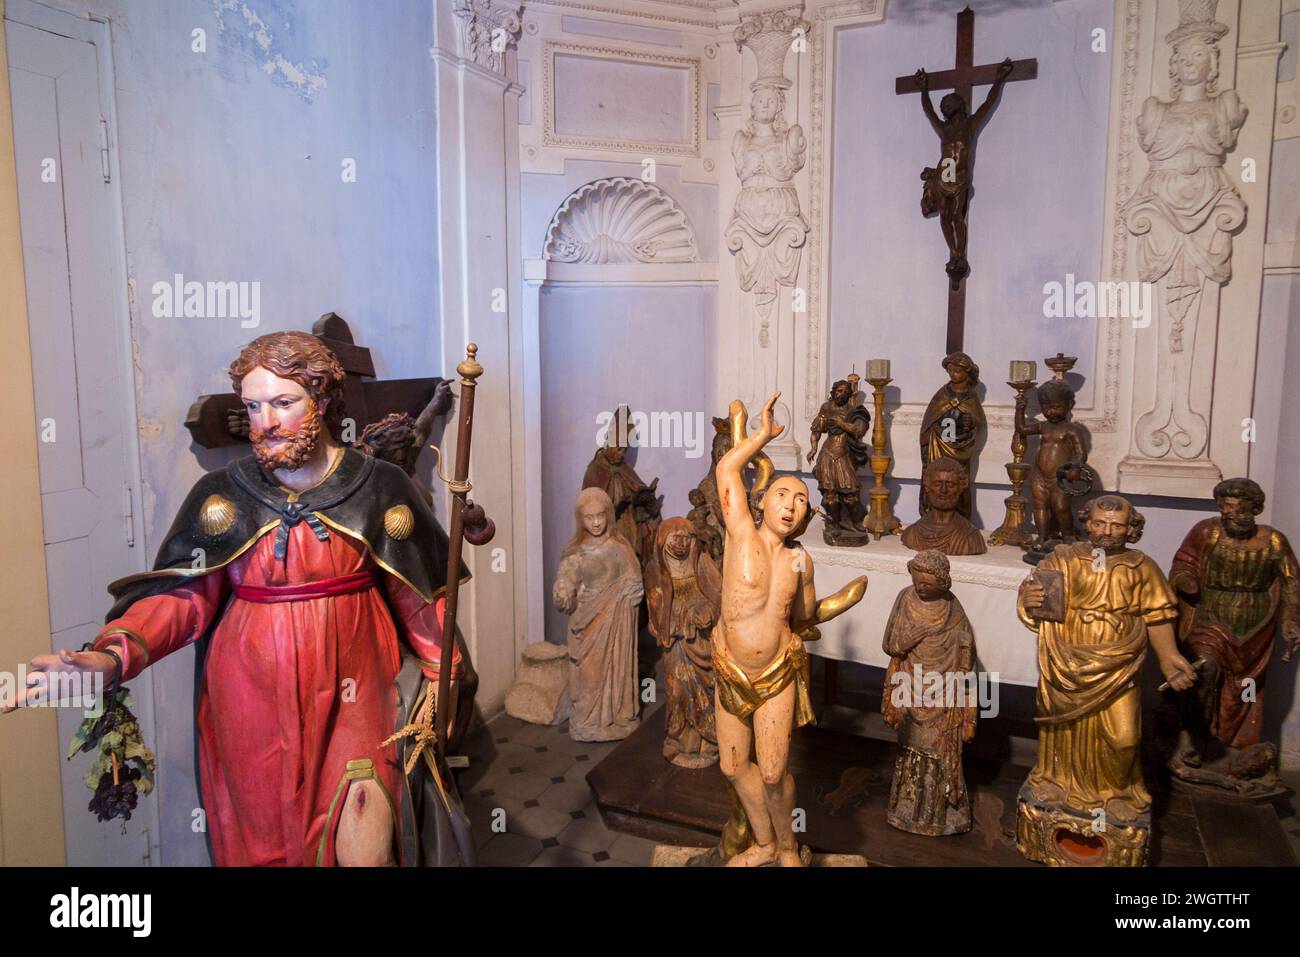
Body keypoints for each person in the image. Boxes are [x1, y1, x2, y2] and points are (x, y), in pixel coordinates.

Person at [5, 331, 467, 866]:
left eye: (283, 403)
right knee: (262, 844)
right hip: (249, 703)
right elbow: (181, 600)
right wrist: (111, 657)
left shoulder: (378, 486)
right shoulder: (224, 494)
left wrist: (444, 678)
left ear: (321, 401)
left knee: (365, 836)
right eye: (253, 405)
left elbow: (416, 594)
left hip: (356, 692)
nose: (265, 421)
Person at [1168, 478, 1299, 794]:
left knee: (1247, 686)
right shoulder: (1205, 531)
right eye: (1225, 507)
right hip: (1210, 615)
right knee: (1204, 667)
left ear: (1255, 508)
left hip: (1256, 626)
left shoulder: (1273, 541)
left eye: (1239, 508)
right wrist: (1186, 581)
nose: (1231, 514)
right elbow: (1183, 563)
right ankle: (1196, 736)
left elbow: (1291, 582)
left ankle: (1236, 743)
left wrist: (1290, 618)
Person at [553, 487, 643, 743]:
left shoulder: (619, 547)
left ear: (608, 516)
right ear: (580, 520)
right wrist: (563, 592)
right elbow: (566, 580)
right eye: (589, 517)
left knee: (617, 671)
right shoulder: (576, 553)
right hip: (587, 625)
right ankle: (588, 722)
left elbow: (635, 582)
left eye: (600, 516)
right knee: (589, 676)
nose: (595, 522)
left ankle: (617, 717)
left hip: (617, 625)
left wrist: (629, 591)